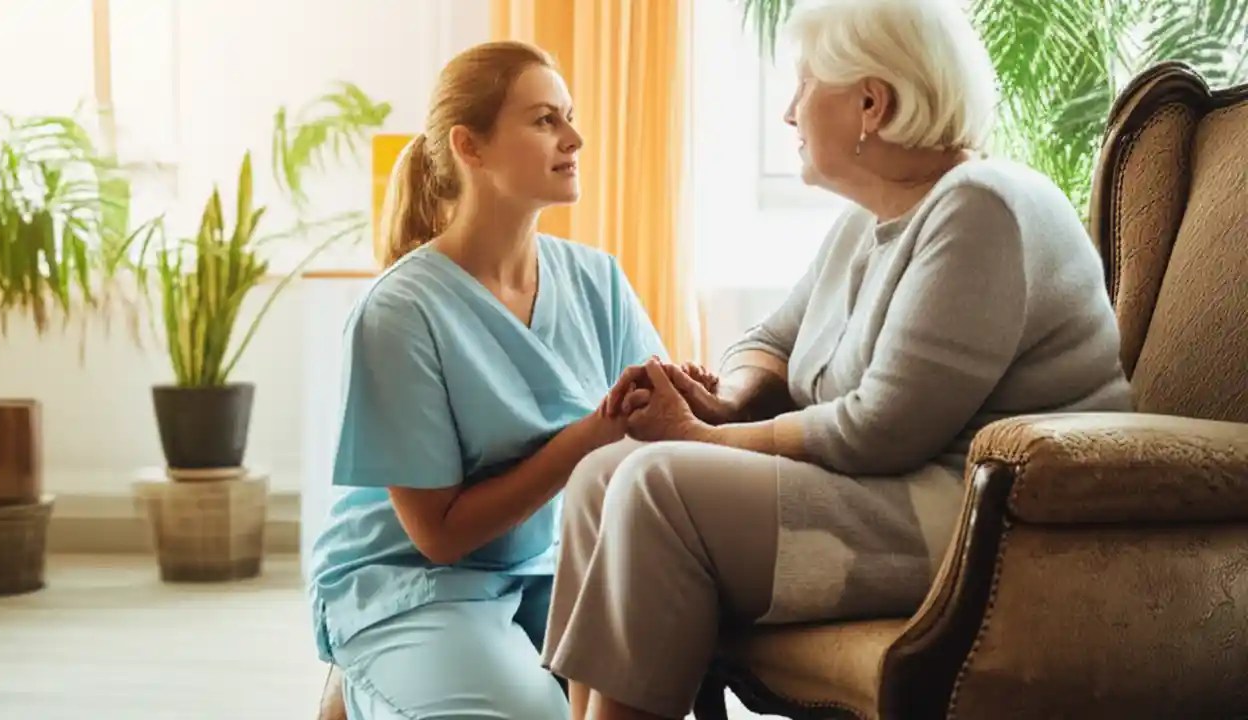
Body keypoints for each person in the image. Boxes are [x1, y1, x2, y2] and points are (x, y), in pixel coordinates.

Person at [541, 0, 1134, 718]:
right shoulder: (871, 220)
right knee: (602, 473)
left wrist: (704, 439)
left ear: (870, 103)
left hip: (976, 518)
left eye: (801, 86)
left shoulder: (982, 209)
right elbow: (766, 341)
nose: (789, 114)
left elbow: (879, 430)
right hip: (895, 494)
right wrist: (726, 401)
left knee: (657, 485)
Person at [308, 41, 702, 720]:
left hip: (552, 570)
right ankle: (363, 674)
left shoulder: (597, 281)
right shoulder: (399, 312)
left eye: (570, 117)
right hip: (418, 581)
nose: (574, 138)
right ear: (472, 147)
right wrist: (590, 435)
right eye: (545, 120)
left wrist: (686, 399)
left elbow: (656, 437)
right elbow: (439, 534)